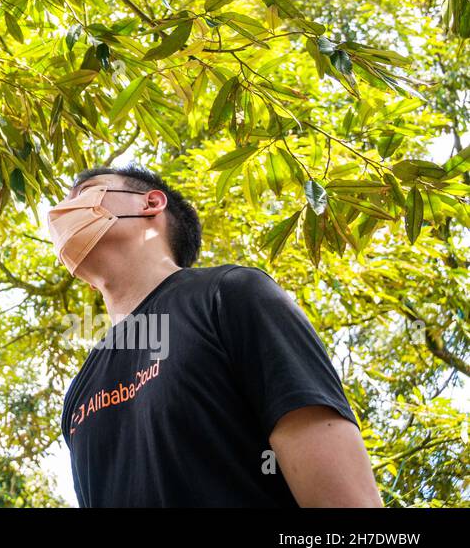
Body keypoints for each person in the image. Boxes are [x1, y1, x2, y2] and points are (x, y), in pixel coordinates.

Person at [47, 164, 382, 507]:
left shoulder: (231, 295)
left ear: (150, 204)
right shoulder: (78, 395)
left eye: (86, 193)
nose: (63, 213)